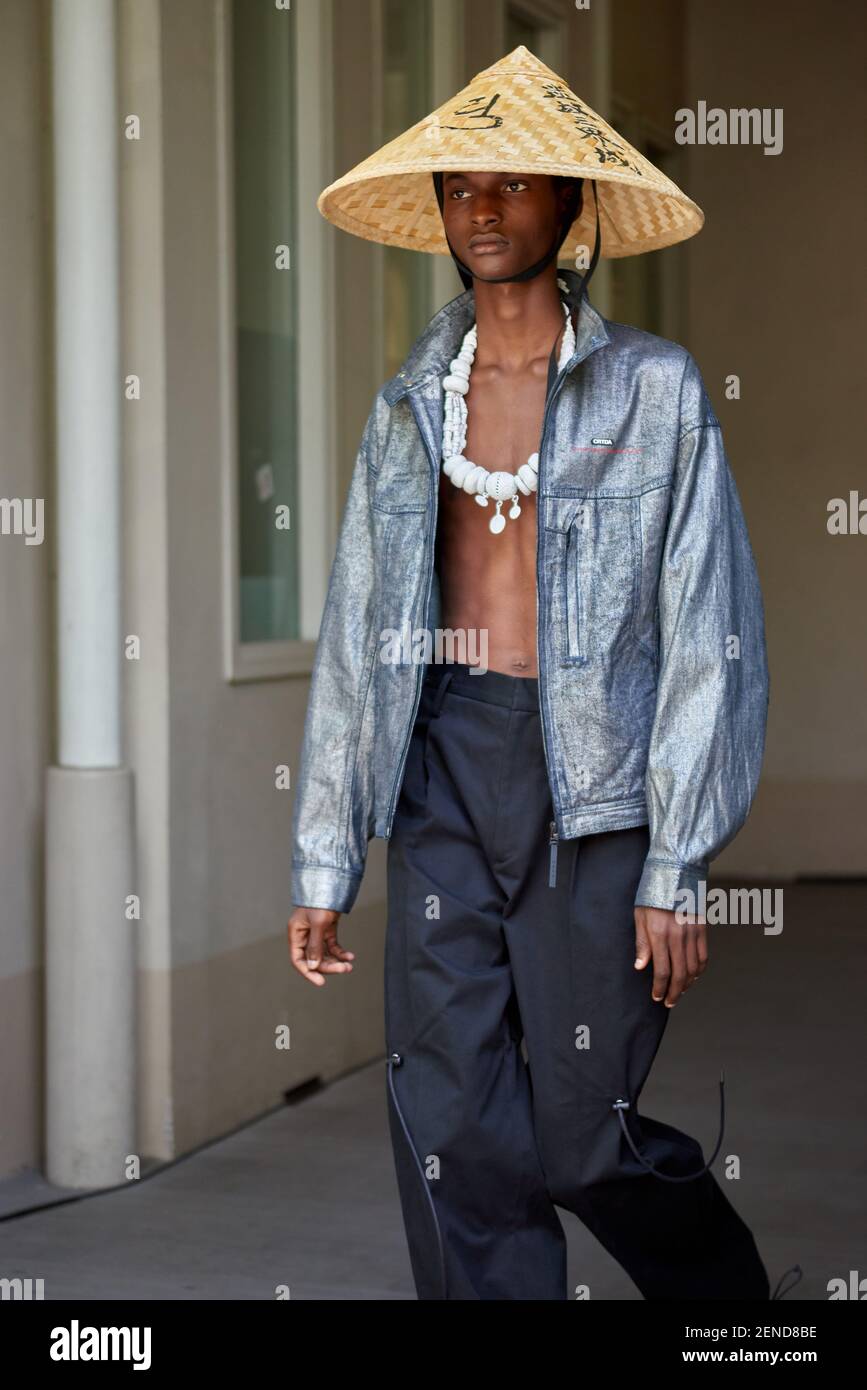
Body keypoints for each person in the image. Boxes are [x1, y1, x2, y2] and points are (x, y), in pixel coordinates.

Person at [286, 47, 799, 1302]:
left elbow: (708, 633)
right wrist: (323, 853)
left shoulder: (659, 393)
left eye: (517, 186)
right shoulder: (411, 404)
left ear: (573, 211)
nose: (485, 209)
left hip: (599, 794)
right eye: (465, 186)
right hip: (445, 772)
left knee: (584, 1135)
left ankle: (730, 1308)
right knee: (453, 1126)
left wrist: (678, 863)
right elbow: (361, 637)